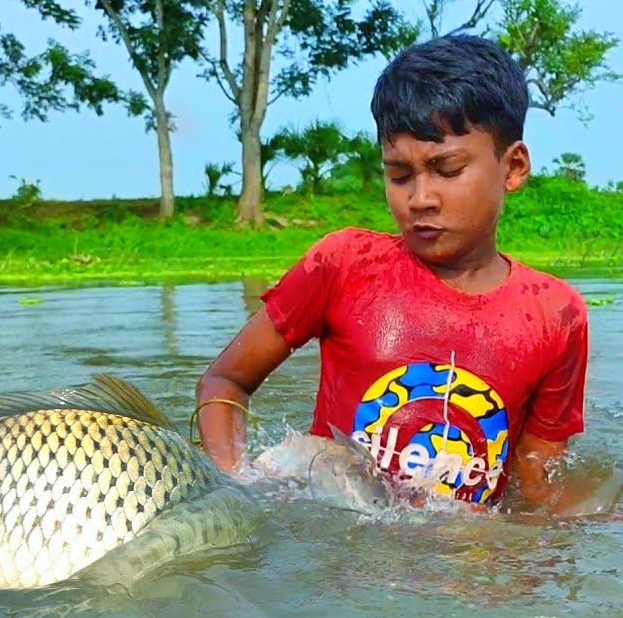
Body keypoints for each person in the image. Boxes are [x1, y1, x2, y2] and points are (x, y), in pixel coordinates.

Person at [194, 34, 594, 515]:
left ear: (513, 166)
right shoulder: (345, 266)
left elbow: (536, 490)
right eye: (399, 175)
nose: (420, 198)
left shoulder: (556, 316)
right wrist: (237, 488)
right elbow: (224, 382)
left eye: (447, 169)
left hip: (465, 557)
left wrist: (620, 519)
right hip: (339, 548)